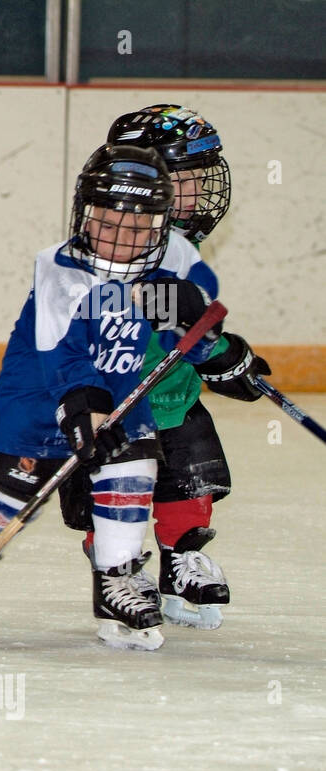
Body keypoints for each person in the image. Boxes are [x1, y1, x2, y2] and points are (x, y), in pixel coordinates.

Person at [0, 143, 226, 651]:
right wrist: (83, 407)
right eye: (108, 223)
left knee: (134, 466)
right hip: (38, 400)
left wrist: (220, 349)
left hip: (121, 388)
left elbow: (199, 308)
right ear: (85, 215)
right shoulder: (58, 267)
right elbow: (62, 355)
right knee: (9, 499)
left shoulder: (176, 253)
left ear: (161, 227)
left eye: (139, 228)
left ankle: (118, 577)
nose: (121, 239)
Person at [103, 105, 270, 629]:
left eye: (204, 176)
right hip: (117, 406)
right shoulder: (118, 243)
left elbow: (190, 318)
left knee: (192, 482)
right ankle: (118, 572)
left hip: (174, 397)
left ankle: (181, 561)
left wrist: (221, 358)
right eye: (189, 178)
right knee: (119, 495)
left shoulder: (180, 243)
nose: (202, 190)